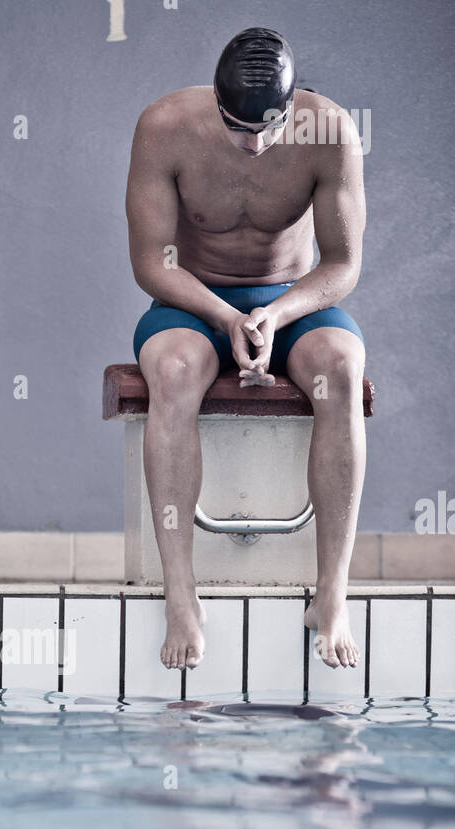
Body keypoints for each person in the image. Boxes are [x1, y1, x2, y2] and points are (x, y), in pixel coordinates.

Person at [125, 27, 366, 670]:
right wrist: (228, 315)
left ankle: (331, 595)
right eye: (239, 130)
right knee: (174, 373)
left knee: (342, 369)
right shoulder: (165, 126)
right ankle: (183, 596)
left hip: (291, 301)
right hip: (191, 299)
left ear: (292, 108)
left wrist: (275, 311)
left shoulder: (332, 131)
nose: (255, 145)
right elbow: (151, 263)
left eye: (269, 128)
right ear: (216, 105)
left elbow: (342, 265)